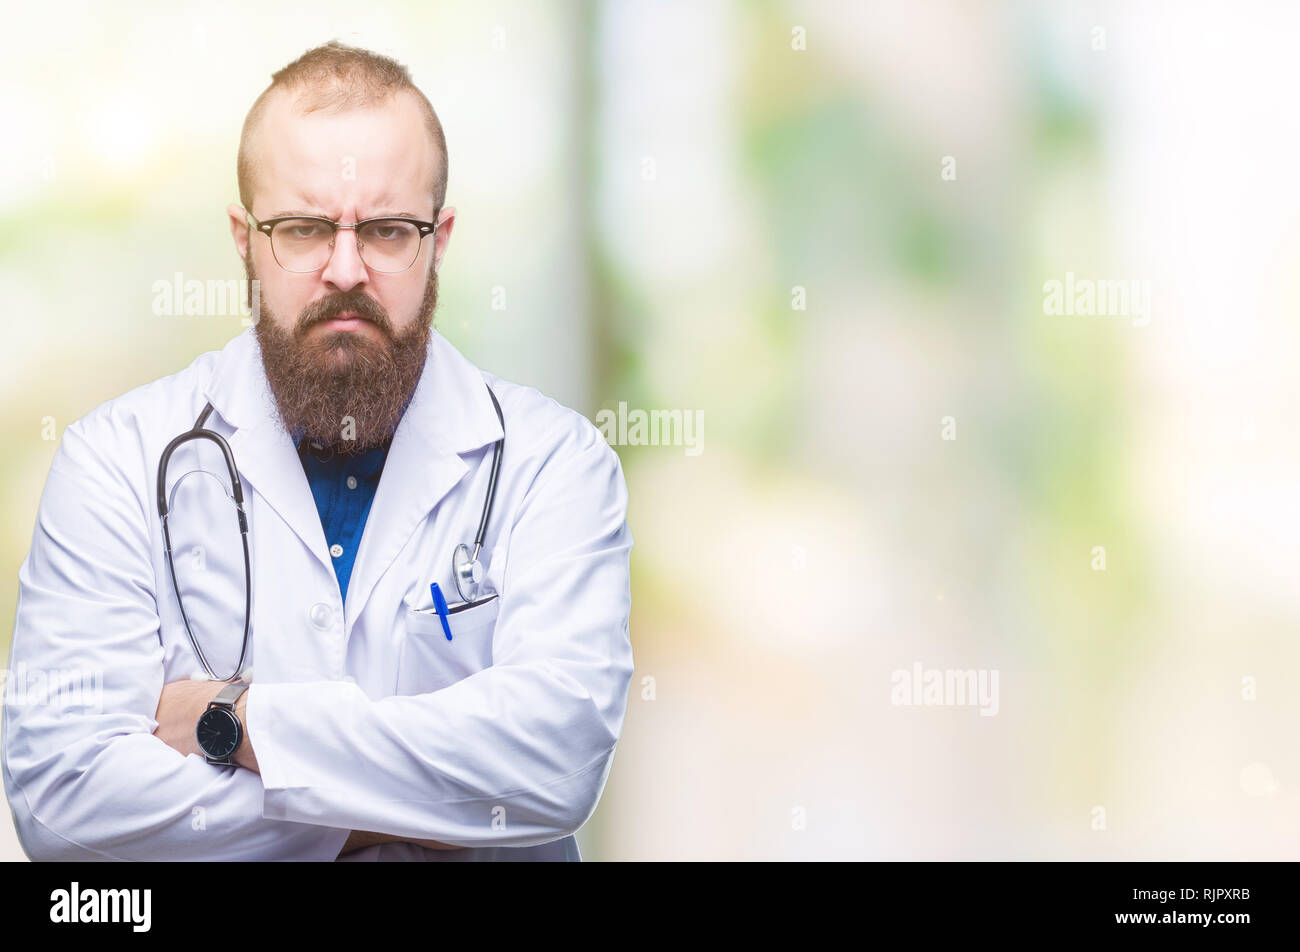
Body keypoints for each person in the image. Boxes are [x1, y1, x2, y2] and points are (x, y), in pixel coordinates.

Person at [1, 41, 634, 861]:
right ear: (244, 239)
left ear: (438, 240)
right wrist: (400, 815)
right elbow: (62, 799)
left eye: (385, 230)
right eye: (302, 229)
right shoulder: (113, 461)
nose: (344, 268)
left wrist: (232, 721)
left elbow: (556, 764)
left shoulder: (555, 464)